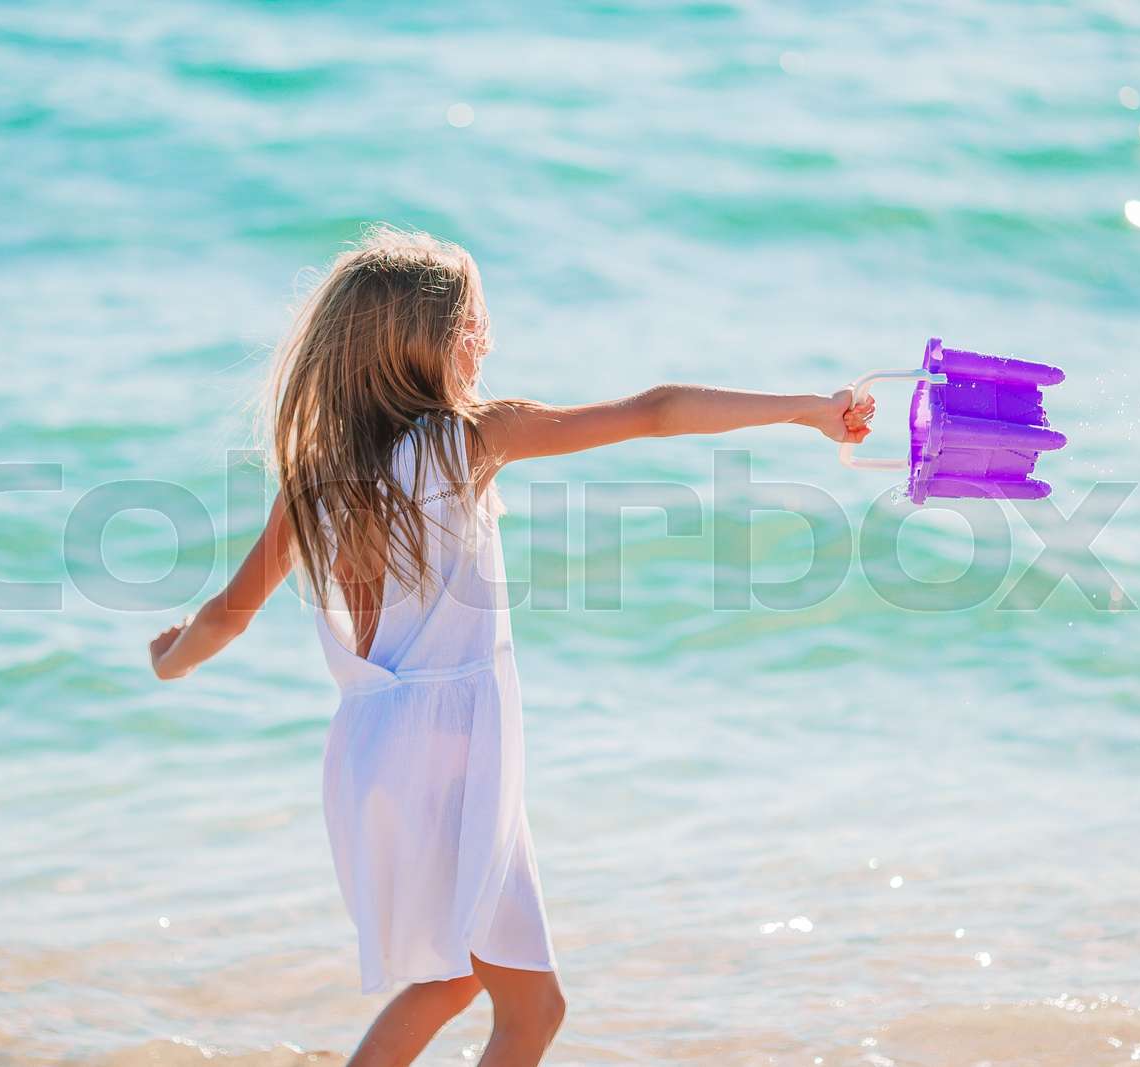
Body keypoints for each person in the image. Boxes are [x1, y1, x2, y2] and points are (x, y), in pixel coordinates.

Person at [147, 226, 873, 1066]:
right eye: (477, 322)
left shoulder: (317, 481)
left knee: (489, 990)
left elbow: (225, 618)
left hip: (375, 751)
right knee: (522, 1005)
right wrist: (805, 411)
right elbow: (654, 412)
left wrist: (170, 659)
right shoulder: (469, 439)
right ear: (437, 343)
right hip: (456, 751)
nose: (488, 339)